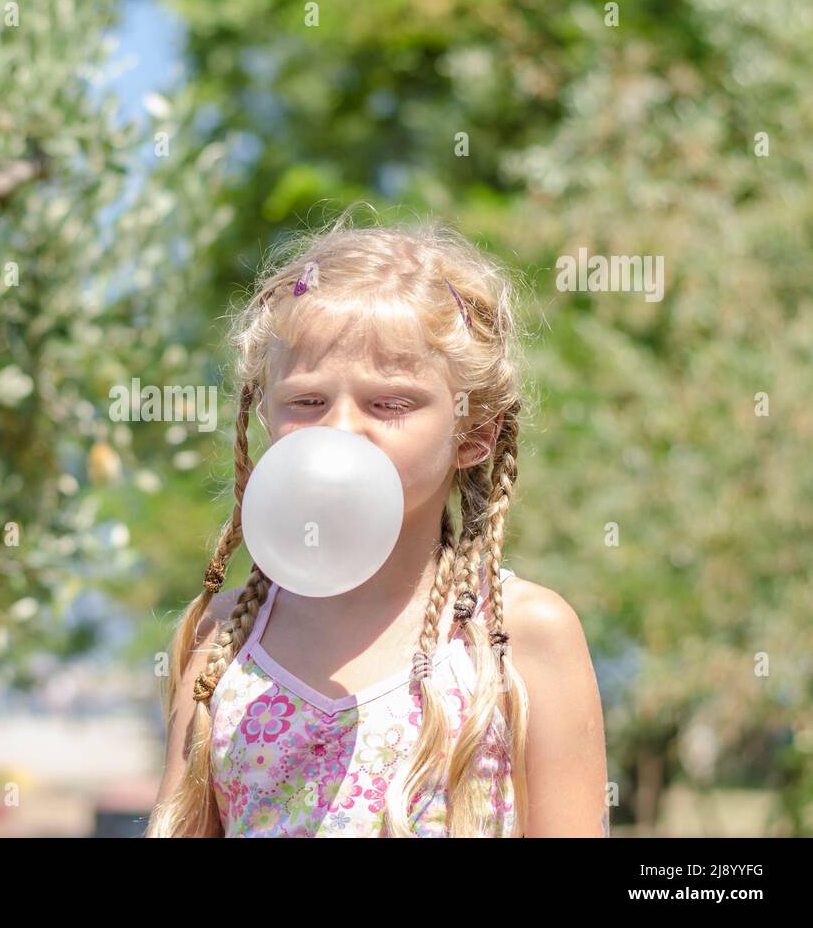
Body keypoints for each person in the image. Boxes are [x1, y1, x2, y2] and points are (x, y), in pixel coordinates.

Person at [146, 205, 607, 837]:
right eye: (307, 401)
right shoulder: (227, 637)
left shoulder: (518, 635)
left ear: (474, 431)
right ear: (267, 419)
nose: (341, 429)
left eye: (390, 403)